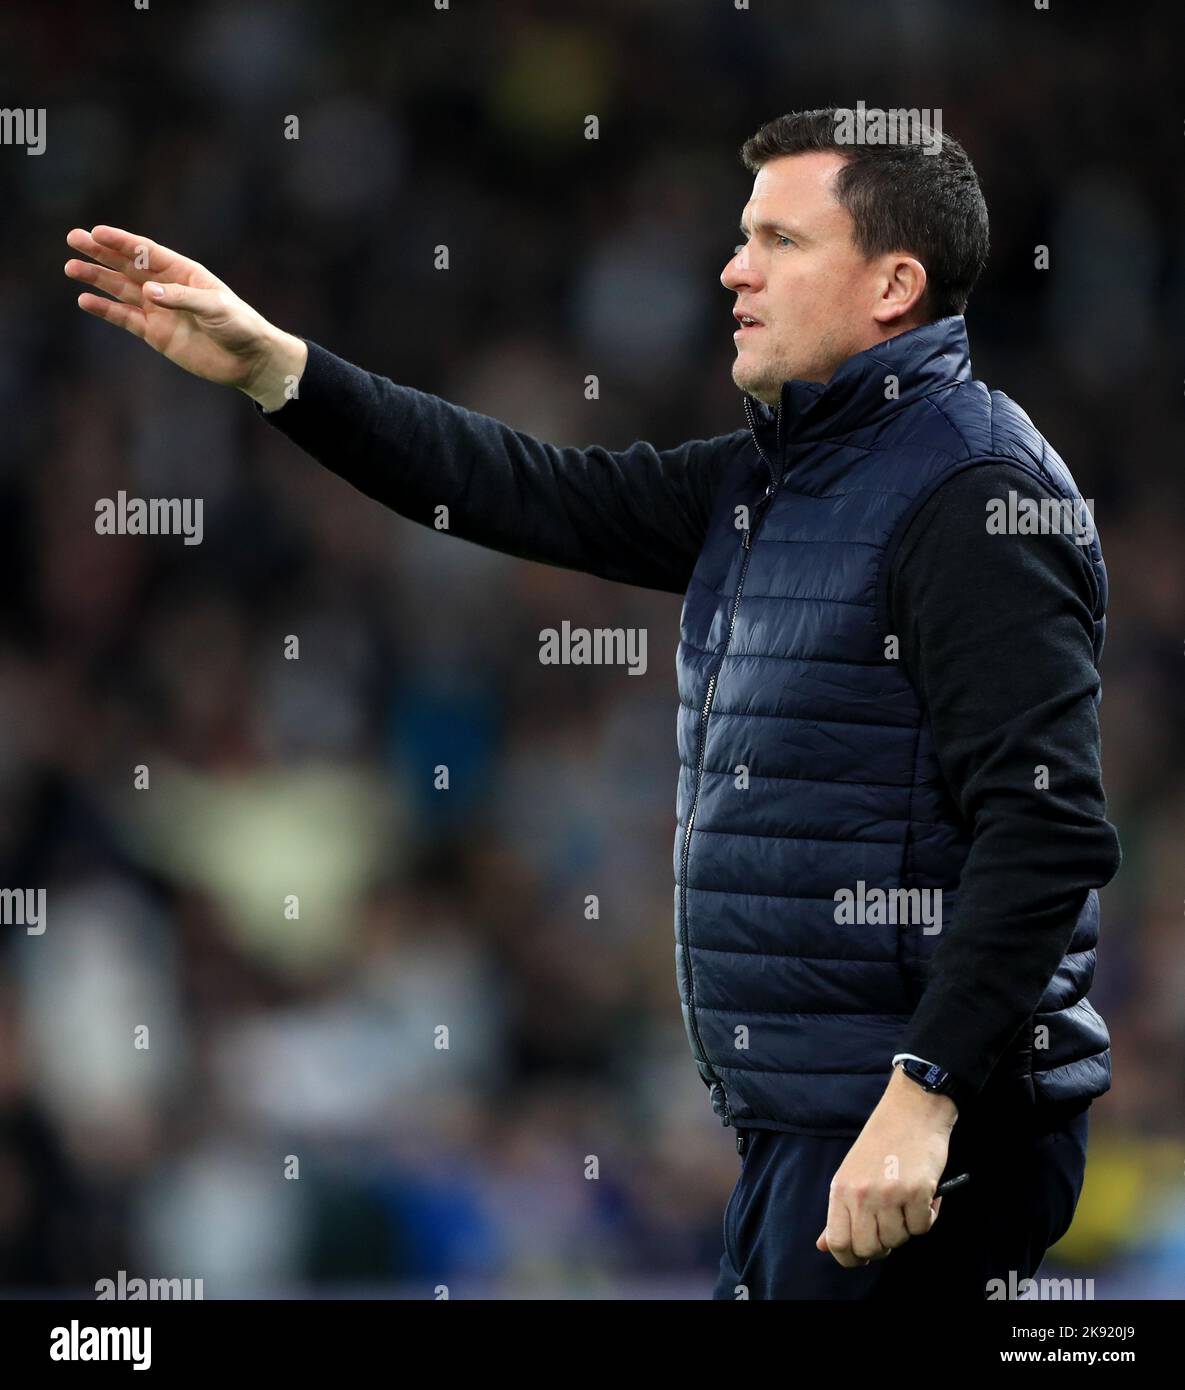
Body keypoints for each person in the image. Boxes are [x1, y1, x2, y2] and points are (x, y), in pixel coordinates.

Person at [64, 106, 1120, 1300]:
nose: (735, 267)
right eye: (741, 237)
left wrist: (926, 1096)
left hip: (916, 1141)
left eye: (778, 240)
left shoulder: (974, 495)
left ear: (893, 283)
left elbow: (1046, 829)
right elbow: (523, 491)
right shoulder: (777, 480)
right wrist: (277, 371)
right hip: (820, 1126)